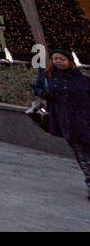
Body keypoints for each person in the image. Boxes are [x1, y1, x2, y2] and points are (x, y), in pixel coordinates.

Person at [33, 48, 90, 198]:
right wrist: (43, 94)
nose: (58, 61)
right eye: (55, 59)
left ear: (69, 61)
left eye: (61, 59)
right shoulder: (48, 78)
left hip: (84, 120)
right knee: (81, 154)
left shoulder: (82, 80)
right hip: (65, 121)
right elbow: (37, 88)